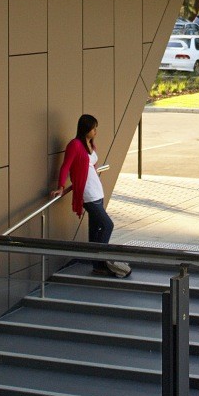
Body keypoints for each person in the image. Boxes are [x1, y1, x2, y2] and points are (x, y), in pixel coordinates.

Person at [56, 115, 131, 277]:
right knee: (107, 225)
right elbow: (66, 166)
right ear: (85, 129)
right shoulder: (74, 145)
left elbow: (90, 166)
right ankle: (102, 258)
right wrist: (61, 187)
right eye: (93, 128)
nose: (96, 131)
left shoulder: (89, 144)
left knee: (95, 229)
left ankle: (97, 265)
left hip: (97, 190)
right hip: (87, 193)